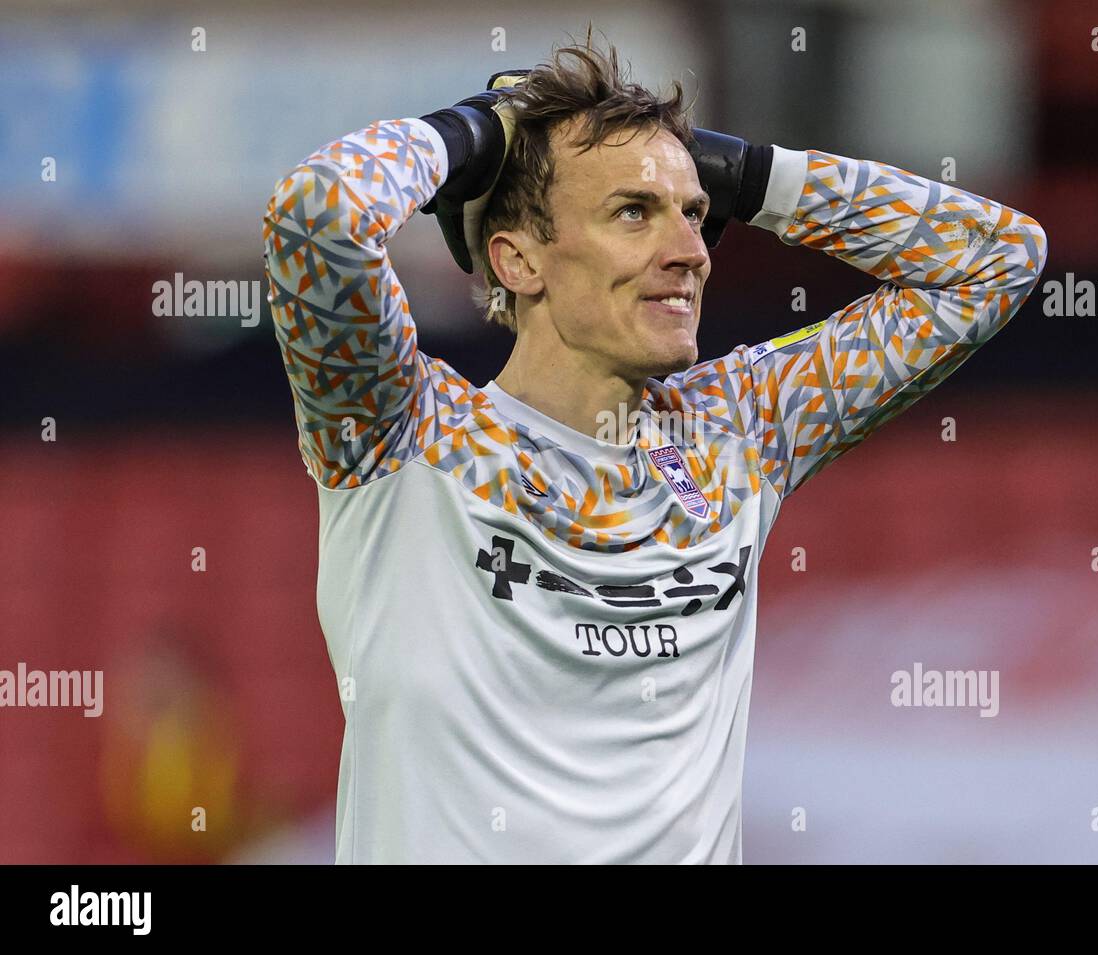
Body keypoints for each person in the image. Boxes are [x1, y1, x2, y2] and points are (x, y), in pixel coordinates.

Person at [261, 38, 1047, 864]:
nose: (691, 253)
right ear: (518, 259)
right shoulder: (401, 429)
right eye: (634, 212)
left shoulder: (737, 433)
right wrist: (478, 134)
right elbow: (319, 215)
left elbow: (996, 260)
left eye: (695, 213)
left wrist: (743, 174)